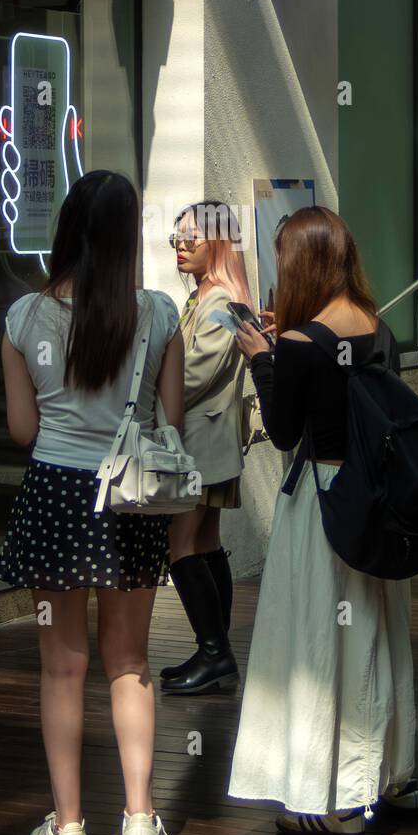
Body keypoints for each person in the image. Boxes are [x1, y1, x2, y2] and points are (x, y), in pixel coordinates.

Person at [0, 170, 185, 835]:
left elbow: (23, 429)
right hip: (129, 500)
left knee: (61, 668)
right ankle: (140, 817)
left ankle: (68, 825)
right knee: (130, 662)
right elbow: (170, 421)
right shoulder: (158, 314)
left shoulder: (23, 319)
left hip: (54, 497)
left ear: (66, 227)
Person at [227, 206, 418, 835]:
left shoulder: (300, 344)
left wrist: (262, 357)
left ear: (302, 263)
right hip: (374, 504)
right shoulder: (379, 329)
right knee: (376, 636)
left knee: (316, 643)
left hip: (320, 502)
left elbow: (285, 433)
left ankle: (324, 796)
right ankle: (390, 774)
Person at [159, 202, 251, 695]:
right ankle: (214, 652)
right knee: (207, 543)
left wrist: (149, 386)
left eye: (192, 237)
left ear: (217, 243)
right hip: (209, 444)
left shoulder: (217, 302)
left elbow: (191, 377)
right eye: (178, 236)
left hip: (201, 445)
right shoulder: (211, 297)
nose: (181, 244)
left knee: (182, 548)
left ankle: (215, 653)